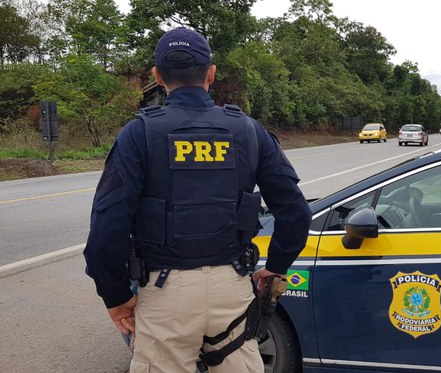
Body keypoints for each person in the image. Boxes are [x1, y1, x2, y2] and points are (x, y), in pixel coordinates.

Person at [83, 27, 311, 372]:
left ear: (157, 76)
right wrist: (276, 267)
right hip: (233, 289)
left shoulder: (139, 134)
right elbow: (294, 212)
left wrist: (116, 297)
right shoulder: (249, 130)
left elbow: (105, 231)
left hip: (164, 292)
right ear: (211, 73)